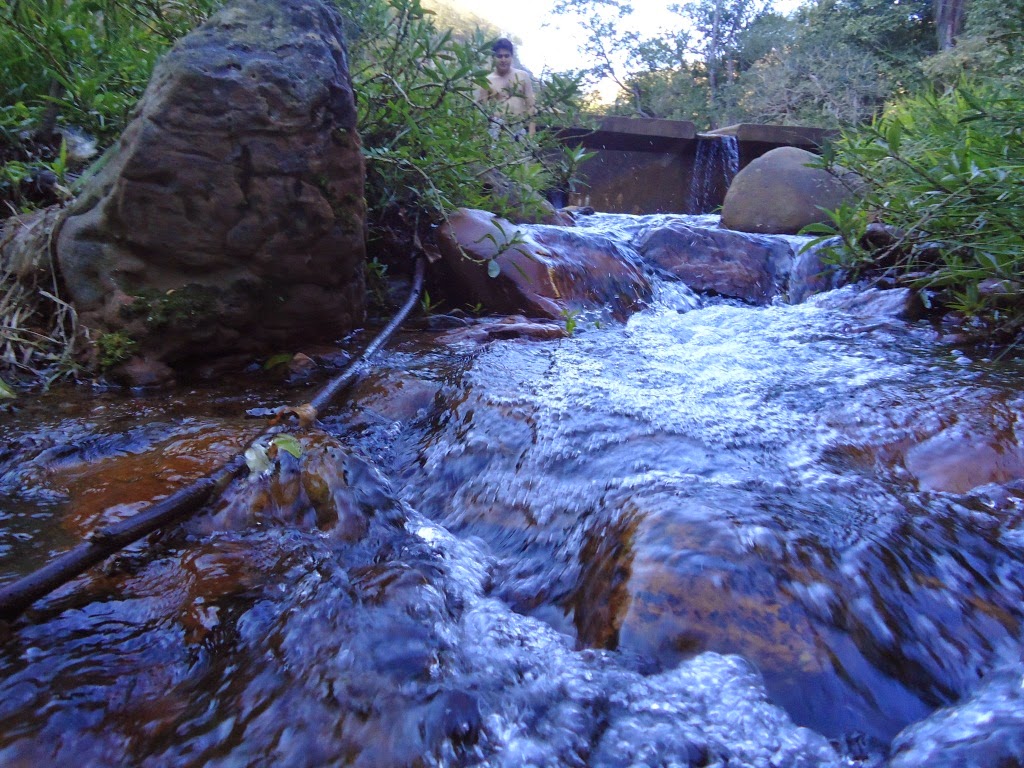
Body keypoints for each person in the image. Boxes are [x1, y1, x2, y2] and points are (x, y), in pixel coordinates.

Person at [476, 38, 535, 140]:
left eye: (506, 56)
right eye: (499, 56)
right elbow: (482, 111)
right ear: (493, 58)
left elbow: (531, 106)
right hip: (496, 128)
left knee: (520, 155)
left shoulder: (522, 76)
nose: (503, 60)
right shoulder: (487, 80)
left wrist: (531, 134)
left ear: (511, 57)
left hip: (517, 126)